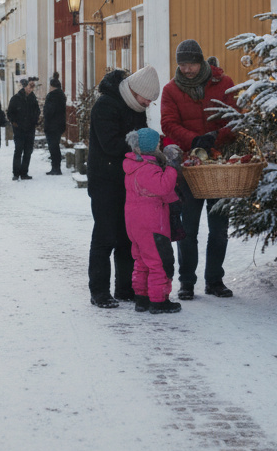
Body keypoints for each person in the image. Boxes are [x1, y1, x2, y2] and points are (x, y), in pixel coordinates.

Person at [160, 39, 237, 301]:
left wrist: (217, 136)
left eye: (191, 63)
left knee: (219, 229)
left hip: (218, 165)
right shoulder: (171, 90)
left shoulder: (224, 84)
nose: (187, 69)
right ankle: (187, 282)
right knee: (188, 229)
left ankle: (215, 279)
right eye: (182, 64)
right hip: (189, 167)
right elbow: (168, 123)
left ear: (201, 61)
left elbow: (235, 117)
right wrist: (194, 140)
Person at [87, 66, 161, 308]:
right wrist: (141, 147)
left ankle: (125, 287)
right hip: (104, 180)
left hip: (129, 180)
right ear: (134, 91)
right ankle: (99, 291)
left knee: (127, 237)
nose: (148, 104)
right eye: (146, 98)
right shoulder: (105, 105)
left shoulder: (135, 107)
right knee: (105, 235)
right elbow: (110, 144)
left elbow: (139, 137)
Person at [124, 128, 183, 314]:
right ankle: (159, 301)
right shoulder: (148, 168)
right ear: (151, 147)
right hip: (152, 225)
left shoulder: (132, 166)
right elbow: (164, 187)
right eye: (158, 144)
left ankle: (142, 299)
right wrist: (173, 166)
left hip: (135, 224)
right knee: (160, 262)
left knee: (142, 262)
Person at [6, 78, 40, 180]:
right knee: (18, 150)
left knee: (28, 151)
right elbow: (10, 113)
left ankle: (24, 172)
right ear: (24, 87)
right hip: (19, 129)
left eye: (32, 88)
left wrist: (35, 121)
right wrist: (14, 122)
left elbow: (37, 111)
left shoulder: (33, 99)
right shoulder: (16, 98)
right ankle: (16, 173)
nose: (30, 89)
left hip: (30, 128)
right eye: (29, 87)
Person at [43, 73, 68, 176]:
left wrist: (45, 114)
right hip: (59, 124)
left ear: (52, 86)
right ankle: (56, 167)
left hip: (52, 125)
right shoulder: (62, 96)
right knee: (55, 146)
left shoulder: (52, 96)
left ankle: (55, 168)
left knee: (53, 147)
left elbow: (49, 111)